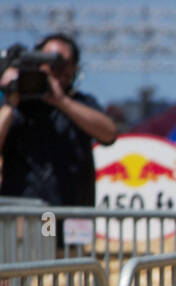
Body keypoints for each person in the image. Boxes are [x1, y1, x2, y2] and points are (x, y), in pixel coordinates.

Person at [0, 32, 117, 206]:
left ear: (74, 69)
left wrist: (62, 101)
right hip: (28, 214)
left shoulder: (80, 103)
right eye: (47, 62)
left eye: (61, 63)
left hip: (72, 214)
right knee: (46, 232)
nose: (54, 70)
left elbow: (109, 133)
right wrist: (11, 102)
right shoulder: (18, 105)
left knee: (54, 231)